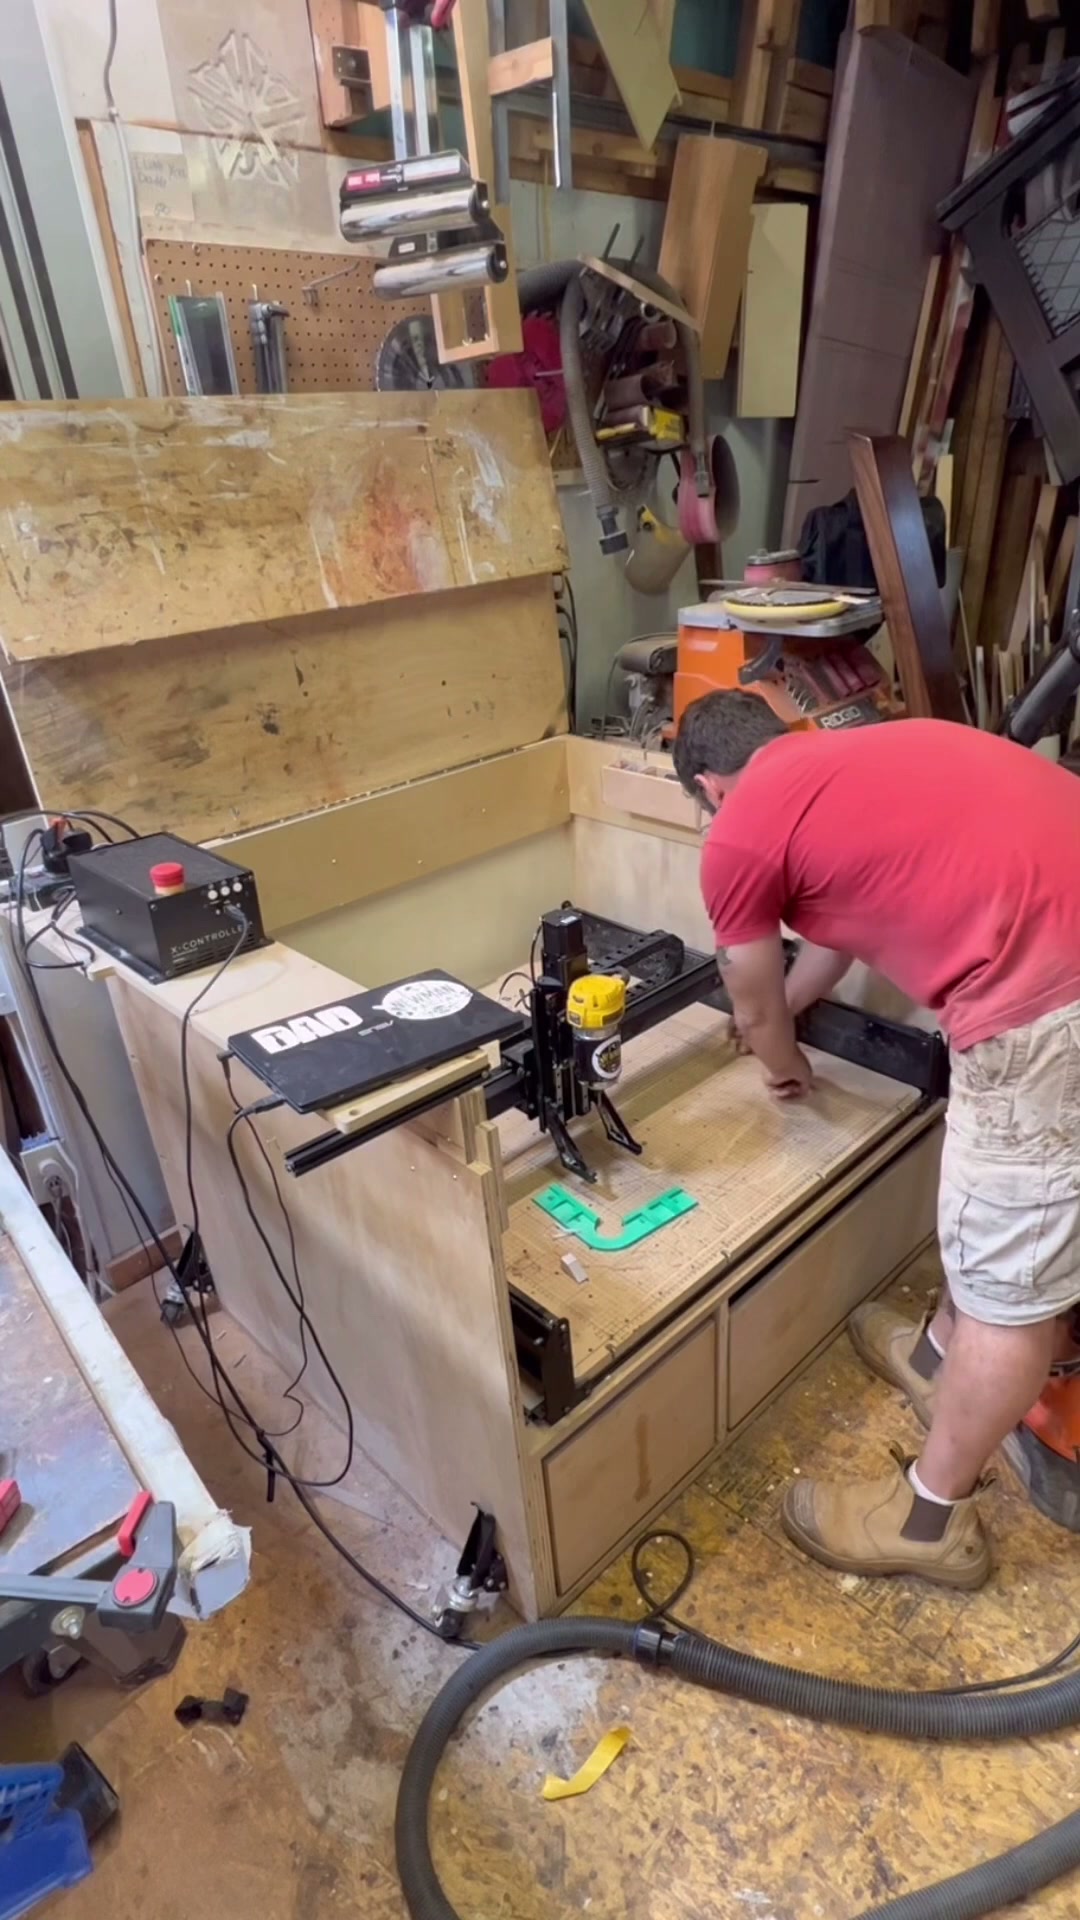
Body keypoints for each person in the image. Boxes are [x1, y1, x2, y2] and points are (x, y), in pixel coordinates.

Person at [673, 690, 1080, 1589]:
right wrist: (794, 1005)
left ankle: (930, 1521)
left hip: (1050, 1007)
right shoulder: (852, 762)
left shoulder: (738, 831)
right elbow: (839, 933)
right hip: (1065, 952)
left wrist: (779, 1062)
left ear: (708, 784)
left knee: (1012, 1278)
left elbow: (748, 994)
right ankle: (940, 1356)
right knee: (1008, 1223)